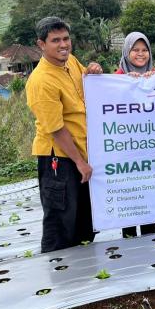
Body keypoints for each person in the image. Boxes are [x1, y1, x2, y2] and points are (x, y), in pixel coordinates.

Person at [25, 16, 103, 253]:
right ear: (41, 44)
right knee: (60, 223)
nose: (63, 45)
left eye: (66, 39)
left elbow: (84, 84)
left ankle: (85, 277)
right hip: (59, 160)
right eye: (55, 40)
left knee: (83, 221)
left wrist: (92, 71)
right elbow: (56, 129)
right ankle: (60, 280)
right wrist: (80, 162)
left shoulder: (70, 62)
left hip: (80, 154)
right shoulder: (41, 80)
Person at [115, 31, 155, 238]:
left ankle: (153, 236)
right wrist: (126, 84)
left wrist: (152, 82)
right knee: (131, 197)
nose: (141, 54)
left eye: (145, 50)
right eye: (135, 50)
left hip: (150, 149)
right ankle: (129, 236)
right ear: (126, 52)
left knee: (150, 196)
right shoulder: (115, 79)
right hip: (125, 151)